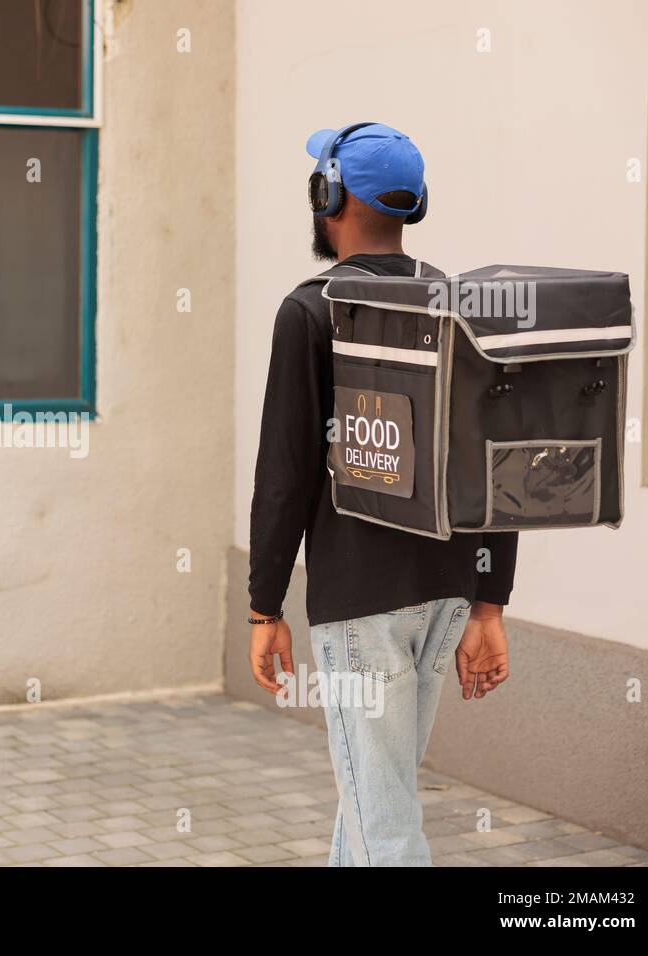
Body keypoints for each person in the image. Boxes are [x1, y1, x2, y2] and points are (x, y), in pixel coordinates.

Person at [246, 123, 515, 866]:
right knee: (373, 797)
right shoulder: (460, 304)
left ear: (326, 197)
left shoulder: (308, 311)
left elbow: (285, 473)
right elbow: (498, 466)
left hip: (360, 608)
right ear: (412, 206)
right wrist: (490, 604)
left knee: (385, 824)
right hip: (449, 595)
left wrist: (264, 607)